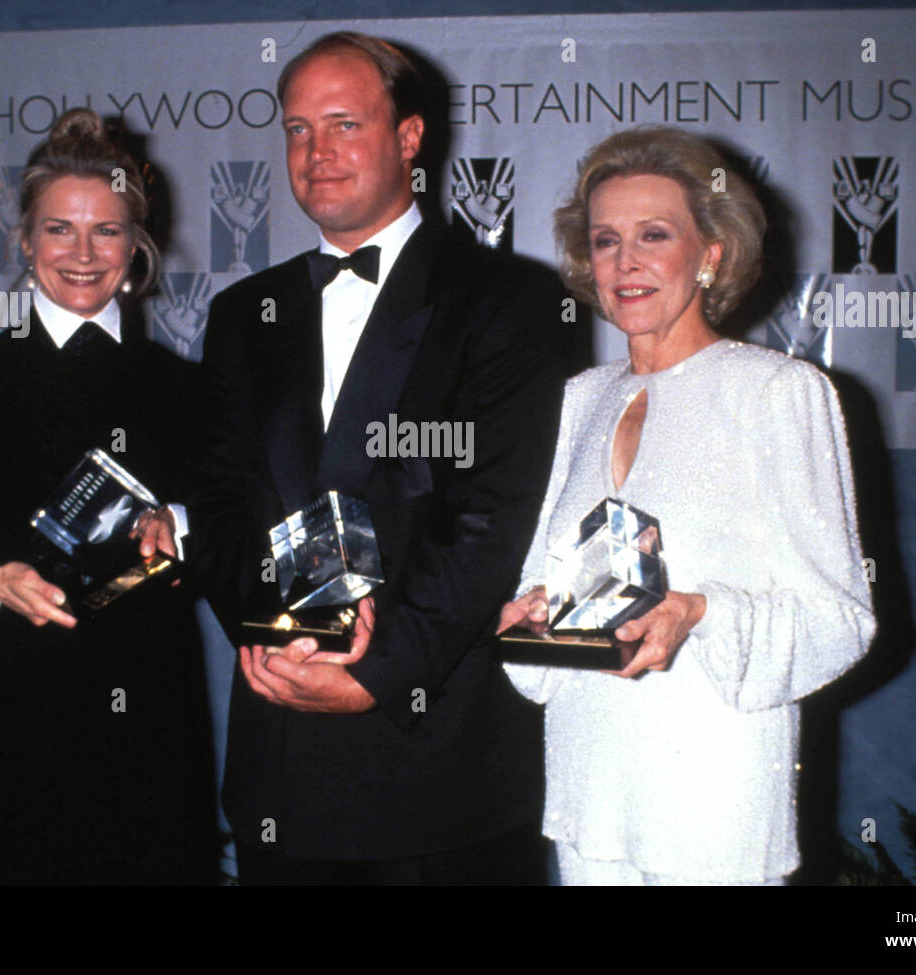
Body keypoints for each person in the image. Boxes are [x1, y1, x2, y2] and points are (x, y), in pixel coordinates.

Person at [202, 31, 566, 884]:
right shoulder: (241, 313)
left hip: (440, 762)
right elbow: (215, 501)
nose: (315, 154)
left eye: (342, 125)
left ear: (409, 137)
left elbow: (491, 514)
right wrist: (279, 641)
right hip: (280, 761)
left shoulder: (510, 299)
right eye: (296, 129)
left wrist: (380, 671)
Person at [0, 108, 247, 884]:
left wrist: (178, 523)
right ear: (25, 239)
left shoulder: (187, 393)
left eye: (106, 231)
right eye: (58, 229)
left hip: (145, 740)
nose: (82, 253)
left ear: (137, 247)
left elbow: (231, 527)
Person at [499, 126, 876, 885]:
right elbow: (552, 590)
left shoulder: (778, 393)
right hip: (590, 798)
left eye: (655, 235)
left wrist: (698, 612)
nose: (626, 262)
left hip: (713, 810)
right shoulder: (581, 401)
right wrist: (530, 615)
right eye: (605, 240)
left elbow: (842, 619)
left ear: (711, 253)